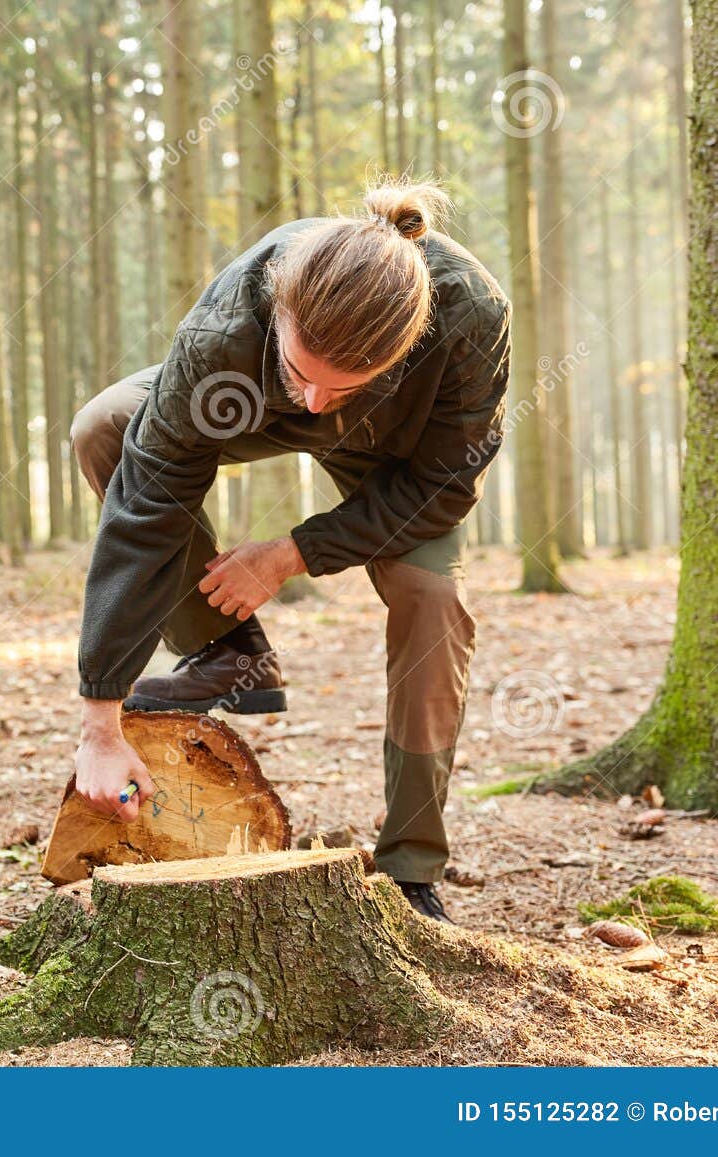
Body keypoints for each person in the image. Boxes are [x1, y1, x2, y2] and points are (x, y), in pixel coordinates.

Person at [70, 182, 511, 924]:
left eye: (339, 384)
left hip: (397, 463)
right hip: (250, 404)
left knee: (433, 601)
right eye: (301, 370)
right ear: (277, 311)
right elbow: (146, 505)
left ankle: (411, 866)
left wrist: (292, 552)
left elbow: (442, 486)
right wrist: (100, 721)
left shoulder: (472, 318)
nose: (314, 401)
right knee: (105, 425)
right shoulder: (226, 327)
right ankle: (225, 652)